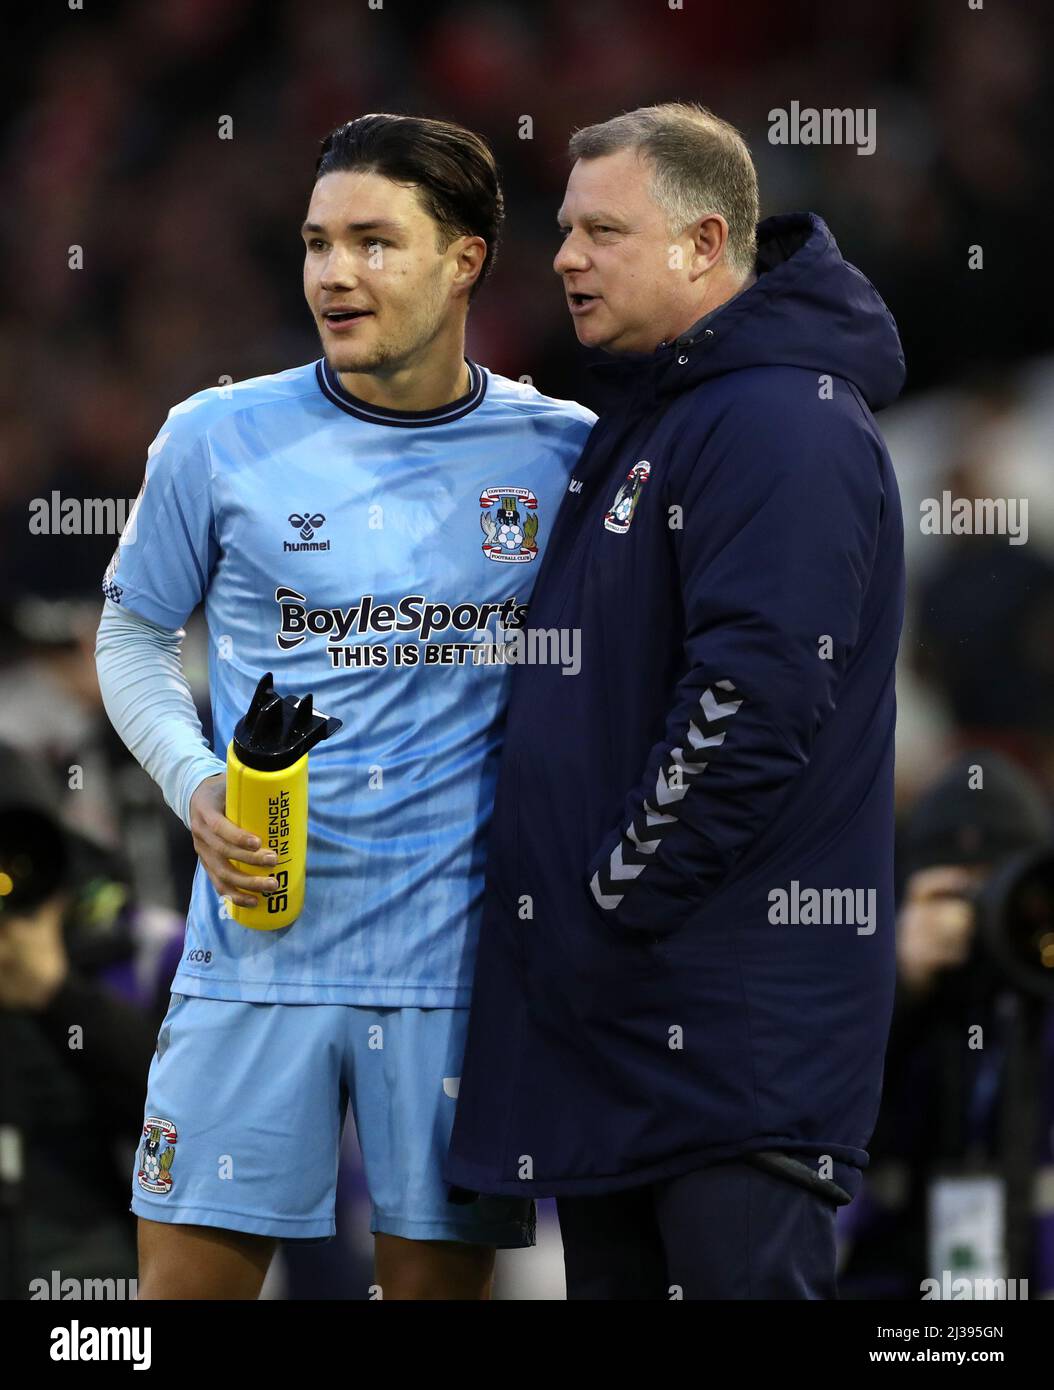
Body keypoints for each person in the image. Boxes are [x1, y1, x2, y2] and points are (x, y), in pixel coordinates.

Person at [94, 113, 595, 1300]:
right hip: (254, 952)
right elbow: (131, 629)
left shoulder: (560, 453)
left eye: (374, 242)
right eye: (318, 242)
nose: (333, 273)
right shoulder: (217, 438)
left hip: (456, 974)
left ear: (464, 258)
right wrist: (197, 777)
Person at [444, 102, 907, 1299]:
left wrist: (607, 899)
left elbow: (755, 698)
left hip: (727, 1051)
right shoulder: (659, 415)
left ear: (705, 245)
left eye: (601, 230)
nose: (563, 258)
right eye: (562, 229)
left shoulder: (778, 421)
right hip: (632, 1045)